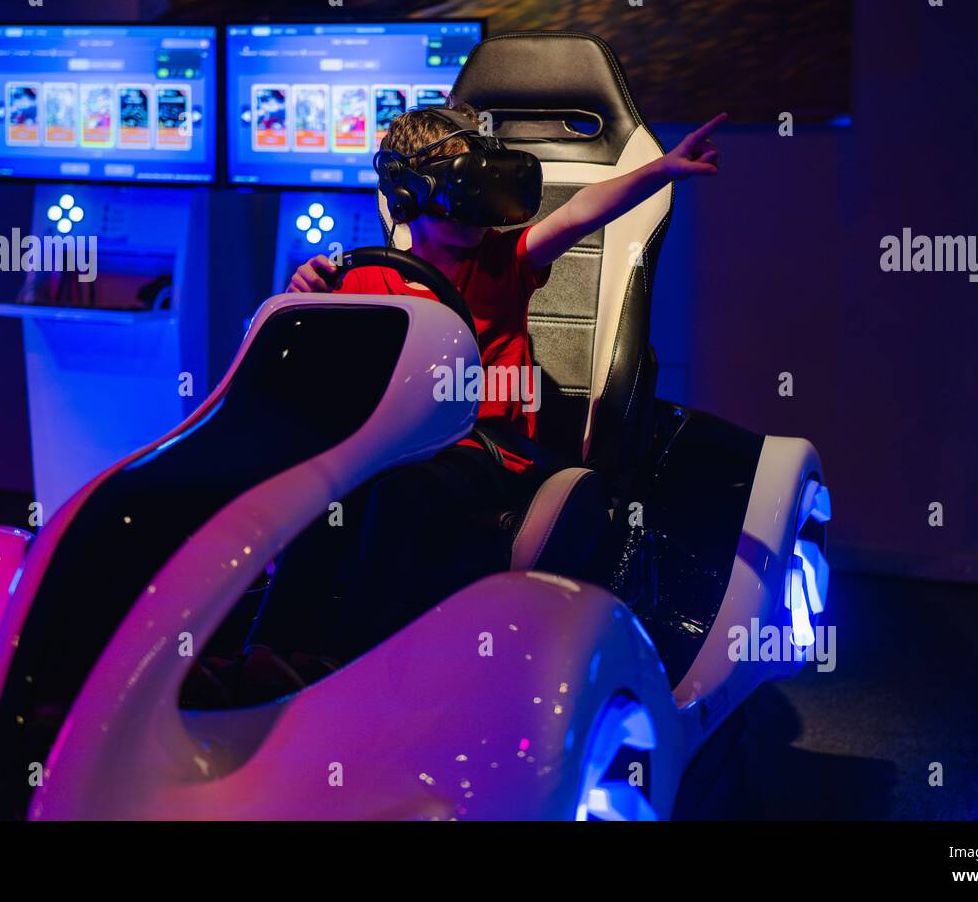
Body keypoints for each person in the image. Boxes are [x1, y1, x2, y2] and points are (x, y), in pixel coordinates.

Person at [194, 102, 728, 704]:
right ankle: (268, 652)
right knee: (325, 488)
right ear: (414, 196)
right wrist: (302, 290)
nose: (483, 207)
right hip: (398, 451)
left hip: (489, 452)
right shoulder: (364, 279)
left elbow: (579, 212)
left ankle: (349, 660)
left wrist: (664, 171)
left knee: (399, 492)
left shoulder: (505, 263)